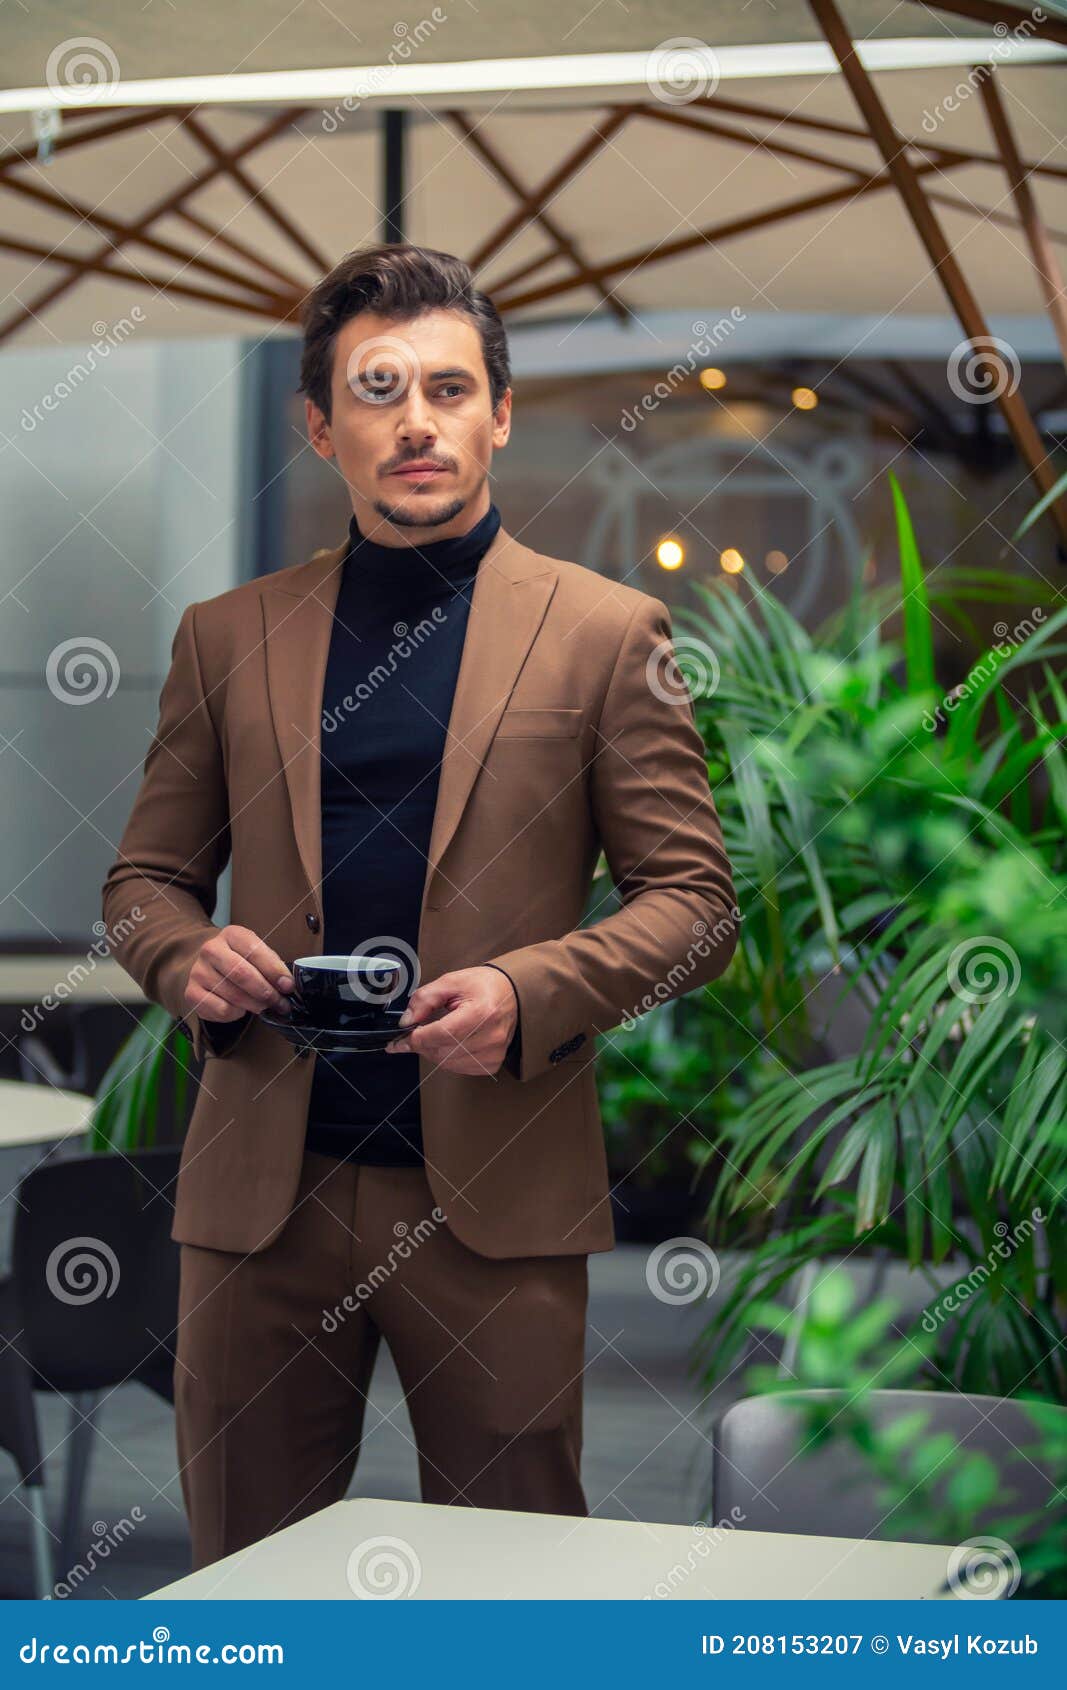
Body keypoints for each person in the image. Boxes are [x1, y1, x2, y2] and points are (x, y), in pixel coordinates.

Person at [102, 242, 738, 1572]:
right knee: (243, 1593)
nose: (417, 421)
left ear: (498, 413)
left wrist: (529, 992)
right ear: (321, 426)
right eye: (379, 390)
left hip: (492, 1197)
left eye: (449, 389)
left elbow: (693, 905)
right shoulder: (228, 637)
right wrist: (180, 955)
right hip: (260, 1197)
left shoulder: (605, 633)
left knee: (516, 1592)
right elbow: (141, 884)